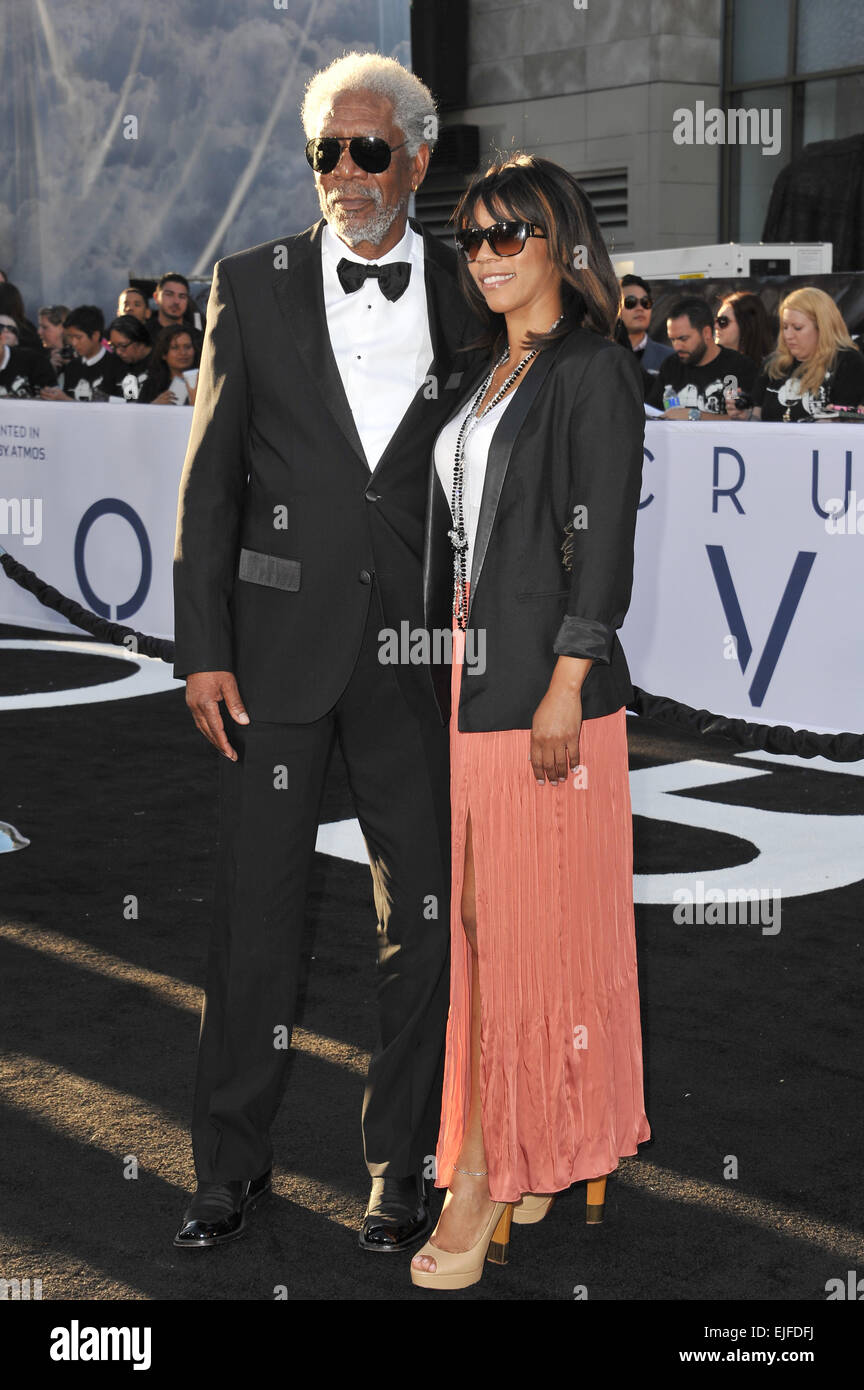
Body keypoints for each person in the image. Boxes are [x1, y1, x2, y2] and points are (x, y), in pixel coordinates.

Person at [171, 51, 481, 1254]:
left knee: (425, 919)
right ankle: (224, 1171)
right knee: (255, 916)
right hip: (271, 652)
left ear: (416, 154)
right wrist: (202, 649)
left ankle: (399, 1169)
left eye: (368, 149)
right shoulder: (248, 284)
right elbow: (209, 487)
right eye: (325, 153)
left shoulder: (469, 290)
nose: (344, 174)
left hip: (413, 653)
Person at [410, 153, 651, 1290]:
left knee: (521, 938)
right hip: (472, 683)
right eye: (474, 239)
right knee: (490, 933)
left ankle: (483, 1169)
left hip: (545, 696)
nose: (491, 256)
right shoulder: (482, 374)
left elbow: (602, 544)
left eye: (513, 234)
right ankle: (552, 1138)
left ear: (561, 242)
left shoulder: (592, 371)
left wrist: (570, 673)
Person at [727, 287, 864, 422]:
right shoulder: (773, 364)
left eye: (797, 328)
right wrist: (745, 415)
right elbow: (757, 417)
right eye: (785, 327)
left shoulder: (847, 361)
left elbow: (847, 423)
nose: (788, 335)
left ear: (822, 328)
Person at [646, 296, 757, 417]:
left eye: (683, 339)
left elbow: (743, 421)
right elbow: (651, 412)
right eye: (672, 339)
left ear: (706, 333)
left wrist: (694, 416)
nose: (677, 346)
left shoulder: (739, 367)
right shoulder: (670, 366)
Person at [39, 305, 125, 401]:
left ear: (95, 335)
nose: (74, 343)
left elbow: (127, 407)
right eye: (70, 337)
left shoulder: (118, 366)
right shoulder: (72, 367)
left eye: (78, 337)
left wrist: (65, 400)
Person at [618, 273, 674, 374]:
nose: (640, 308)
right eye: (631, 302)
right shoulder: (600, 355)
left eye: (645, 302)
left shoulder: (671, 359)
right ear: (615, 308)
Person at [140, 323, 199, 403]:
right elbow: (140, 413)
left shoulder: (205, 381)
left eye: (187, 347)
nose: (183, 353)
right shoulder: (151, 385)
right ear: (164, 354)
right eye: (175, 348)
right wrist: (154, 406)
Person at [713, 290, 774, 367]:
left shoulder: (768, 371)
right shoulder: (709, 365)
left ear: (745, 325)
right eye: (716, 320)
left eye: (723, 321)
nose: (716, 326)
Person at [107, 315, 155, 400]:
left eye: (123, 346)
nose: (118, 352)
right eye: (113, 346)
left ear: (140, 343)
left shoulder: (161, 362)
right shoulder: (114, 362)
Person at [153, 272, 203, 348]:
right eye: (169, 294)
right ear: (156, 297)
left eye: (182, 296)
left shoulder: (198, 338)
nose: (176, 301)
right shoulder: (143, 336)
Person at [38, 305, 73, 373]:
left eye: (45, 327)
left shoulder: (83, 355)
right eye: (39, 326)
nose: (39, 332)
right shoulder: (38, 358)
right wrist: (49, 370)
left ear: (61, 328)